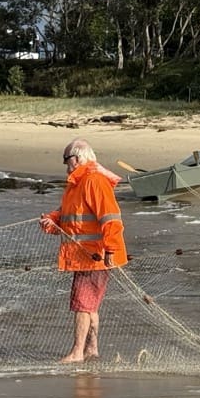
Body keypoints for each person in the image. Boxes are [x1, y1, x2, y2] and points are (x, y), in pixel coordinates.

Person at [40, 139, 129, 363]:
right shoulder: (76, 184)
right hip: (84, 256)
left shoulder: (94, 181)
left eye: (66, 160)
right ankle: (91, 349)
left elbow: (111, 219)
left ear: (78, 158)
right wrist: (51, 220)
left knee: (82, 304)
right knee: (89, 306)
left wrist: (111, 249)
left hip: (95, 256)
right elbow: (67, 214)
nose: (65, 165)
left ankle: (77, 352)